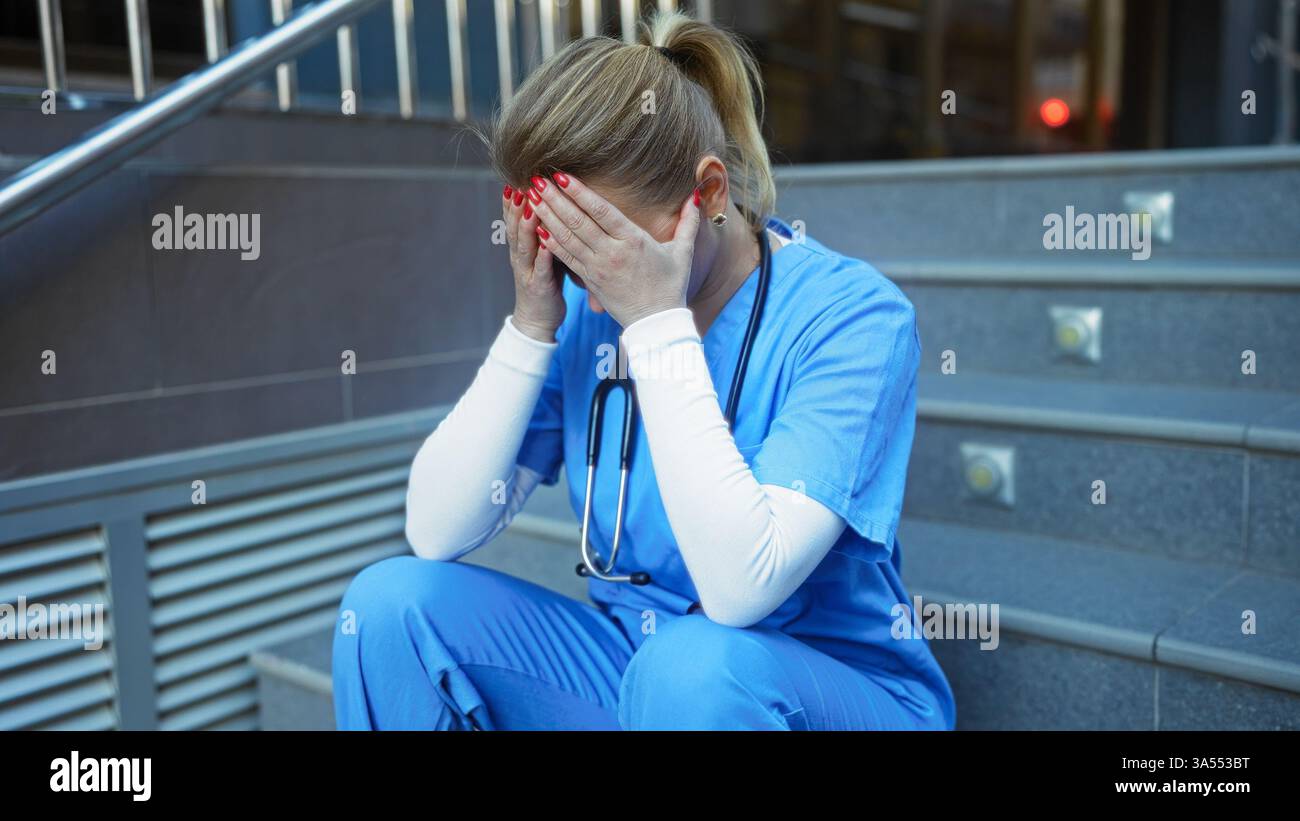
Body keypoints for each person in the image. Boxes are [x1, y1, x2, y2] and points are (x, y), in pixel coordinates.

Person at [332, 10, 955, 731]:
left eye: (611, 244)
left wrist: (658, 327)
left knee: (690, 670)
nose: (593, 287)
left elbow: (739, 589)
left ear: (710, 194)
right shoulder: (582, 312)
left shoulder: (852, 319)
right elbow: (435, 530)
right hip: (640, 667)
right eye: (571, 250)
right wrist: (531, 325)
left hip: (816, 688)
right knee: (388, 608)